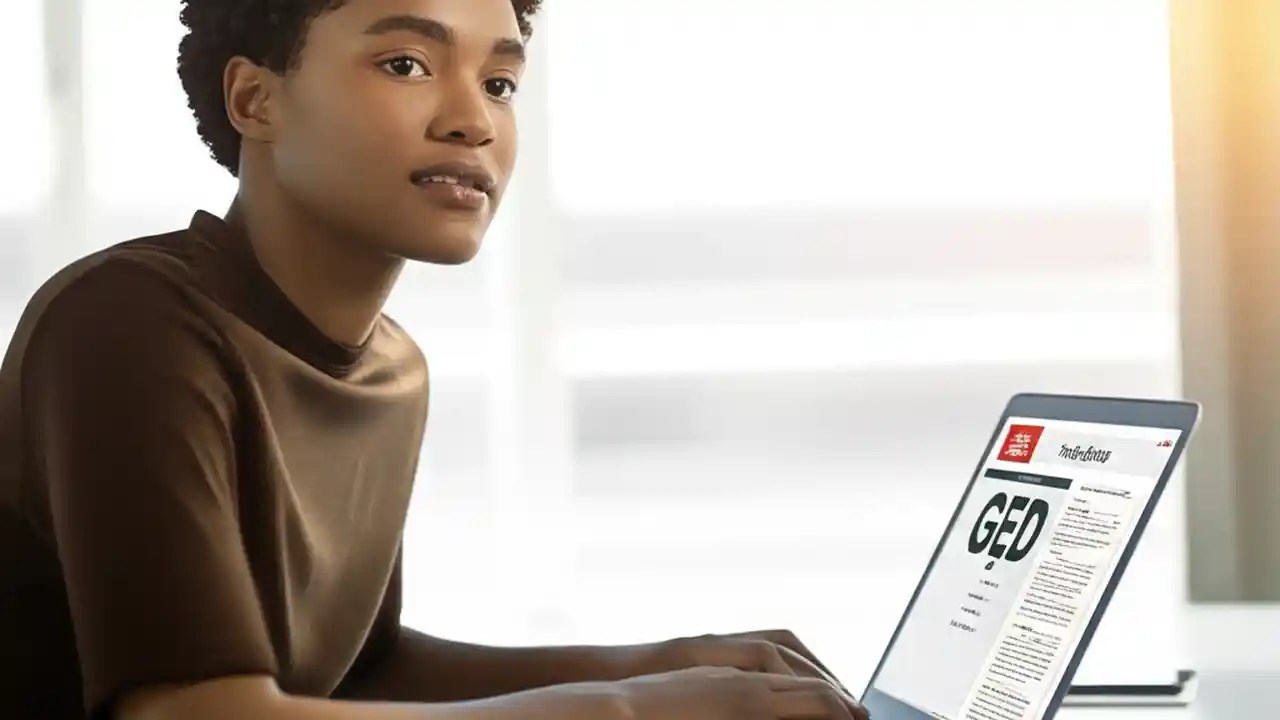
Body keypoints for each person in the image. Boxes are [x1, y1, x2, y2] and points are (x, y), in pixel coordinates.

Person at [0, 1, 870, 719]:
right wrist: (637, 708)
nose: (473, 121)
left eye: (500, 83)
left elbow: (359, 674)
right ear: (255, 100)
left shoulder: (393, 373)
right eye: (407, 65)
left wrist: (666, 661)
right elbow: (193, 712)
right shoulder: (130, 323)